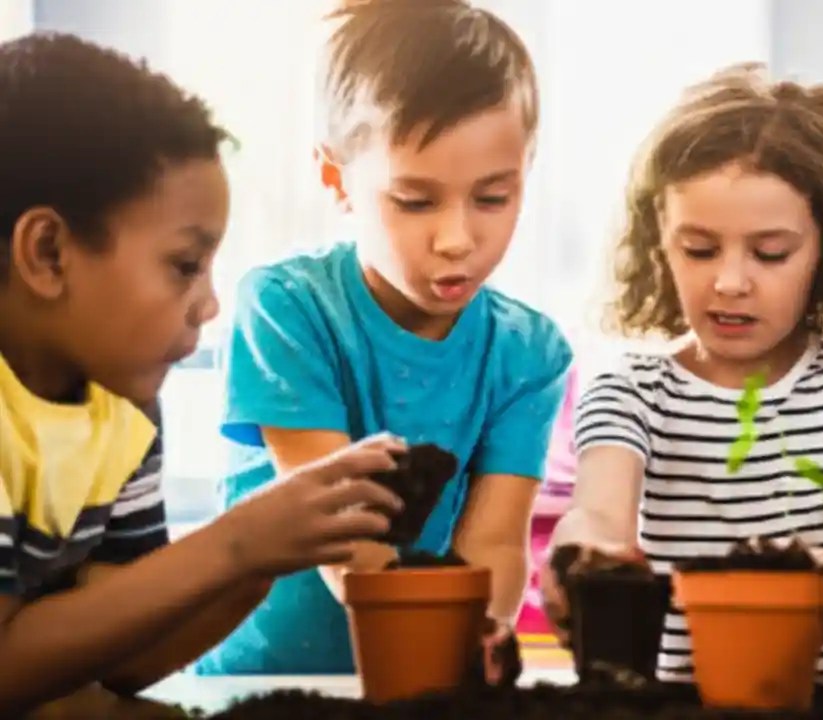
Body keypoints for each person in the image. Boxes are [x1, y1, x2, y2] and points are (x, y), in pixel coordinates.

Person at [0, 32, 405, 716]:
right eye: (184, 265)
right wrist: (235, 542)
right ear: (48, 253)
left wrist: (259, 559)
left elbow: (123, 657)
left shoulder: (122, 408)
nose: (210, 303)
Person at [540, 63, 823, 688]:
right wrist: (582, 557)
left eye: (770, 253)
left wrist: (792, 583)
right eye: (700, 248)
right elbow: (598, 514)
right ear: (660, 242)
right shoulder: (631, 389)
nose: (731, 281)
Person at [196, 0, 572, 677]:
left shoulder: (530, 353)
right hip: (261, 683)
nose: (457, 239)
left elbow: (494, 540)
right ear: (337, 179)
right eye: (416, 201)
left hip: (420, 683)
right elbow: (342, 531)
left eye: (492, 198)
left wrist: (476, 640)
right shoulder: (288, 309)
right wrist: (422, 650)